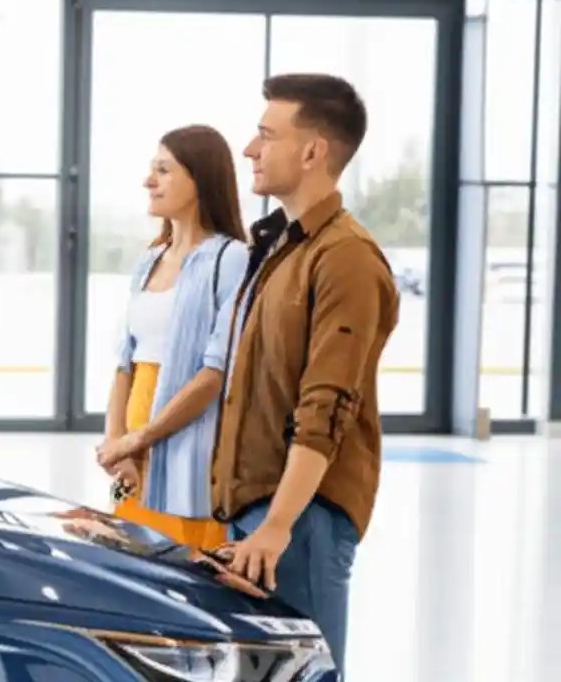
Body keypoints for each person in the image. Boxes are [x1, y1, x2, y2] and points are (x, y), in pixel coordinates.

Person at [210, 73, 399, 675]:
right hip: (257, 512)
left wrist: (278, 525)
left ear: (313, 151)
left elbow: (328, 407)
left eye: (267, 135)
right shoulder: (281, 247)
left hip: (299, 518)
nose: (250, 149)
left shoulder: (346, 258)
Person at [94, 124, 248, 550]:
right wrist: (117, 445)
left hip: (187, 457)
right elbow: (125, 363)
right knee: (126, 561)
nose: (149, 181)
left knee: (183, 566)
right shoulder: (149, 259)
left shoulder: (231, 259)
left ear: (200, 179)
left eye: (163, 170)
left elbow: (215, 373)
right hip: (132, 458)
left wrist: (140, 438)